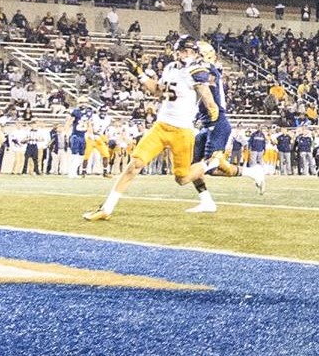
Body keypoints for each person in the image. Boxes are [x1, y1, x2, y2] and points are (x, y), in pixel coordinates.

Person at [83, 38, 217, 220]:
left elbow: (207, 96)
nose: (187, 55)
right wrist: (140, 75)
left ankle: (212, 162)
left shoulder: (196, 70)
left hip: (182, 131)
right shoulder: (170, 68)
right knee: (134, 165)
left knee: (182, 178)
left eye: (191, 52)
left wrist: (212, 109)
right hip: (160, 127)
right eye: (184, 51)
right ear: (177, 51)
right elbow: (158, 91)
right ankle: (106, 209)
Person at [186, 41, 265, 211]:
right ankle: (208, 200)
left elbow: (205, 79)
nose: (194, 55)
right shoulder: (209, 69)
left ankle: (252, 172)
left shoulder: (209, 70)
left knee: (211, 163)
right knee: (200, 168)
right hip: (206, 124)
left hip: (218, 122)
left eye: (197, 52)